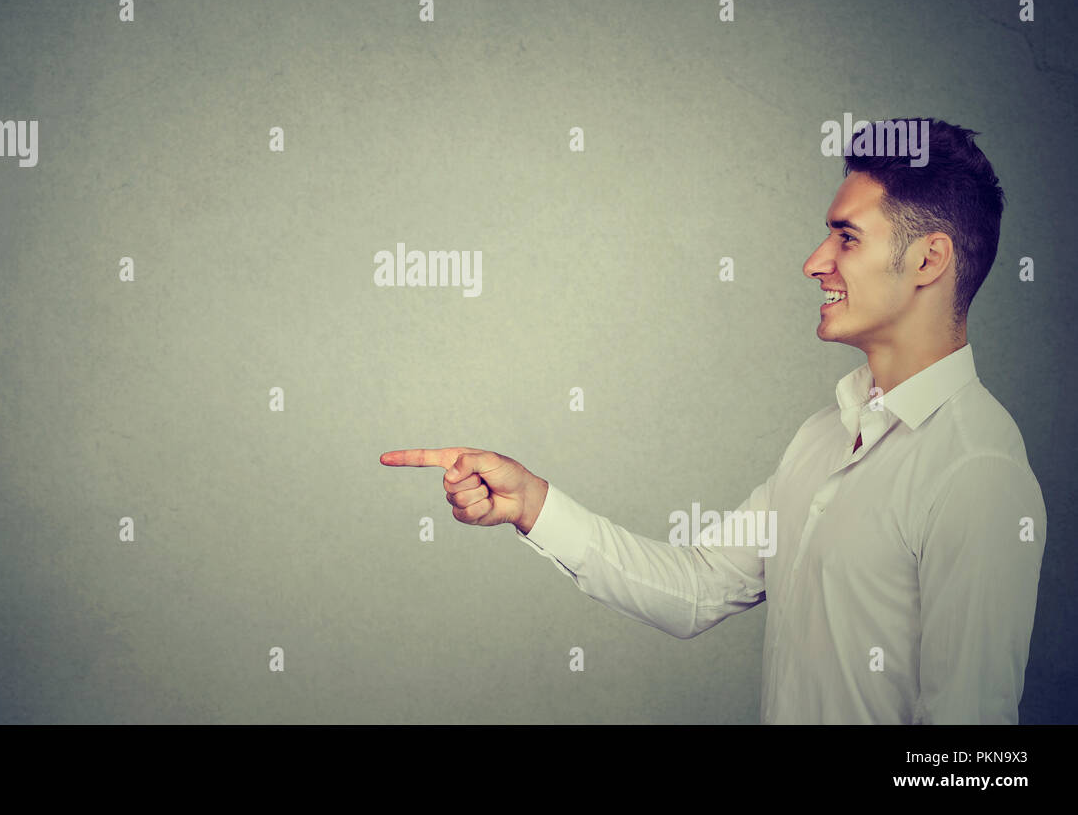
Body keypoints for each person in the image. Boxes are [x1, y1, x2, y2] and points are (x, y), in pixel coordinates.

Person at [380, 119, 1046, 723]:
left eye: (846, 238)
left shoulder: (976, 471)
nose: (814, 262)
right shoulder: (822, 437)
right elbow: (696, 589)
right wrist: (535, 503)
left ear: (929, 260)